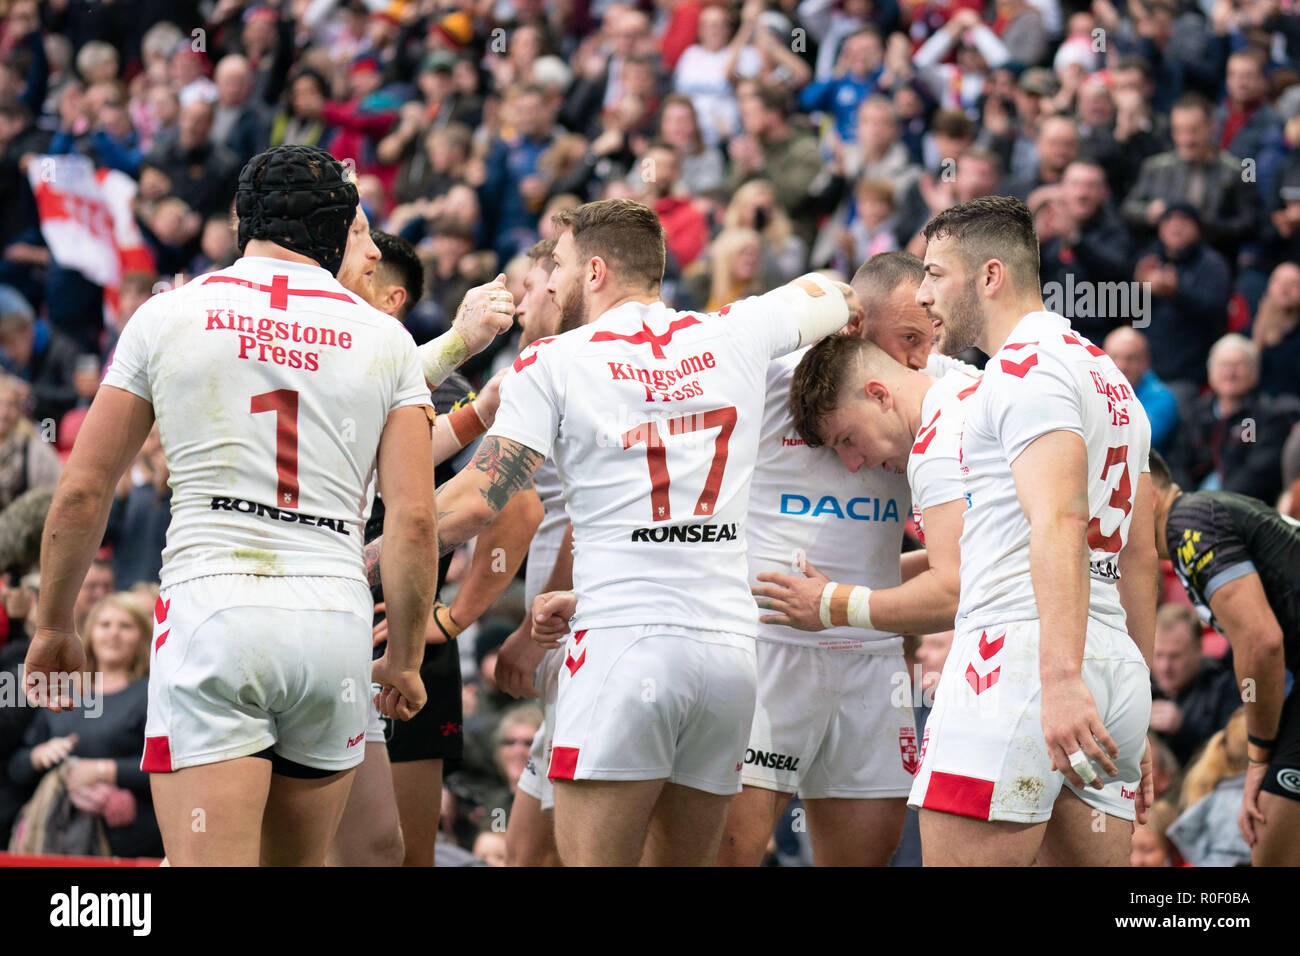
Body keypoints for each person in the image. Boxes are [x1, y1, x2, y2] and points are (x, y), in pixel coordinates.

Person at [24, 145, 438, 867]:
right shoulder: (387, 338)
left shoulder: (169, 314)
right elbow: (414, 521)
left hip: (212, 610)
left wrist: (55, 622)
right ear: (337, 231)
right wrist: (404, 659)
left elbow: (85, 488)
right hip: (332, 622)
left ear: (241, 220)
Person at [434, 197, 860, 865]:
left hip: (620, 649)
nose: (550, 283)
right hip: (726, 658)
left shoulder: (553, 360)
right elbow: (839, 292)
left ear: (595, 271)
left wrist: (369, 551)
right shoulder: (734, 331)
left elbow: (476, 501)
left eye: (559, 266)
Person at [909, 195, 1157, 865]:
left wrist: (1062, 678)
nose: (923, 294)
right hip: (1110, 659)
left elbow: (1060, 518)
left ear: (990, 276)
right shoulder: (1109, 376)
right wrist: (1132, 691)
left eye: (935, 274)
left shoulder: (1024, 369)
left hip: (1019, 658)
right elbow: (1138, 553)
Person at [721, 251, 953, 868]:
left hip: (873, 658)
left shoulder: (939, 389)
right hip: (769, 647)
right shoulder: (771, 377)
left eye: (928, 337)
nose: (919, 356)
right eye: (907, 338)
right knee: (728, 855)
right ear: (855, 321)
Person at [1147, 449, 1300, 865]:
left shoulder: (1188, 522)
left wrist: (1258, 756)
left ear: (1148, 498)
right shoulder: (1205, 515)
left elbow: (1261, 643)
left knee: (1271, 842)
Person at [8, 593, 161, 858]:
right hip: (55, 843)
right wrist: (38, 756)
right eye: (105, 624)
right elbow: (16, 768)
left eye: (125, 626)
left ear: (142, 637)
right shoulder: (63, 691)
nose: (114, 633)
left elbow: (167, 767)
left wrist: (103, 771)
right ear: (89, 634)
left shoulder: (152, 693)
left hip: (129, 843)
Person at [1149, 603, 1240, 766]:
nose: (1165, 667)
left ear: (1198, 649)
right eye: (1158, 655)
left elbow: (1233, 753)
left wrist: (1184, 727)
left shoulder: (1224, 687)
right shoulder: (1139, 686)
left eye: (1175, 656)